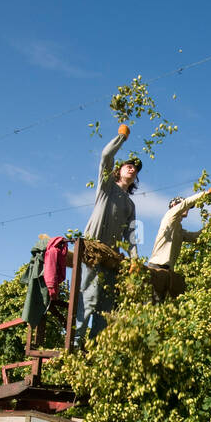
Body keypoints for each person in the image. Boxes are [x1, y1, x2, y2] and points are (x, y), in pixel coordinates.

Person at [76, 123, 141, 345]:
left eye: (136, 168)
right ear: (119, 170)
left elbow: (131, 235)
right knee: (88, 299)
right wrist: (121, 138)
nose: (132, 168)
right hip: (93, 251)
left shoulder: (130, 205)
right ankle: (75, 345)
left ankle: (94, 352)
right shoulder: (106, 187)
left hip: (111, 258)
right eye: (129, 165)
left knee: (105, 308)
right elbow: (105, 156)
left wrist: (134, 260)